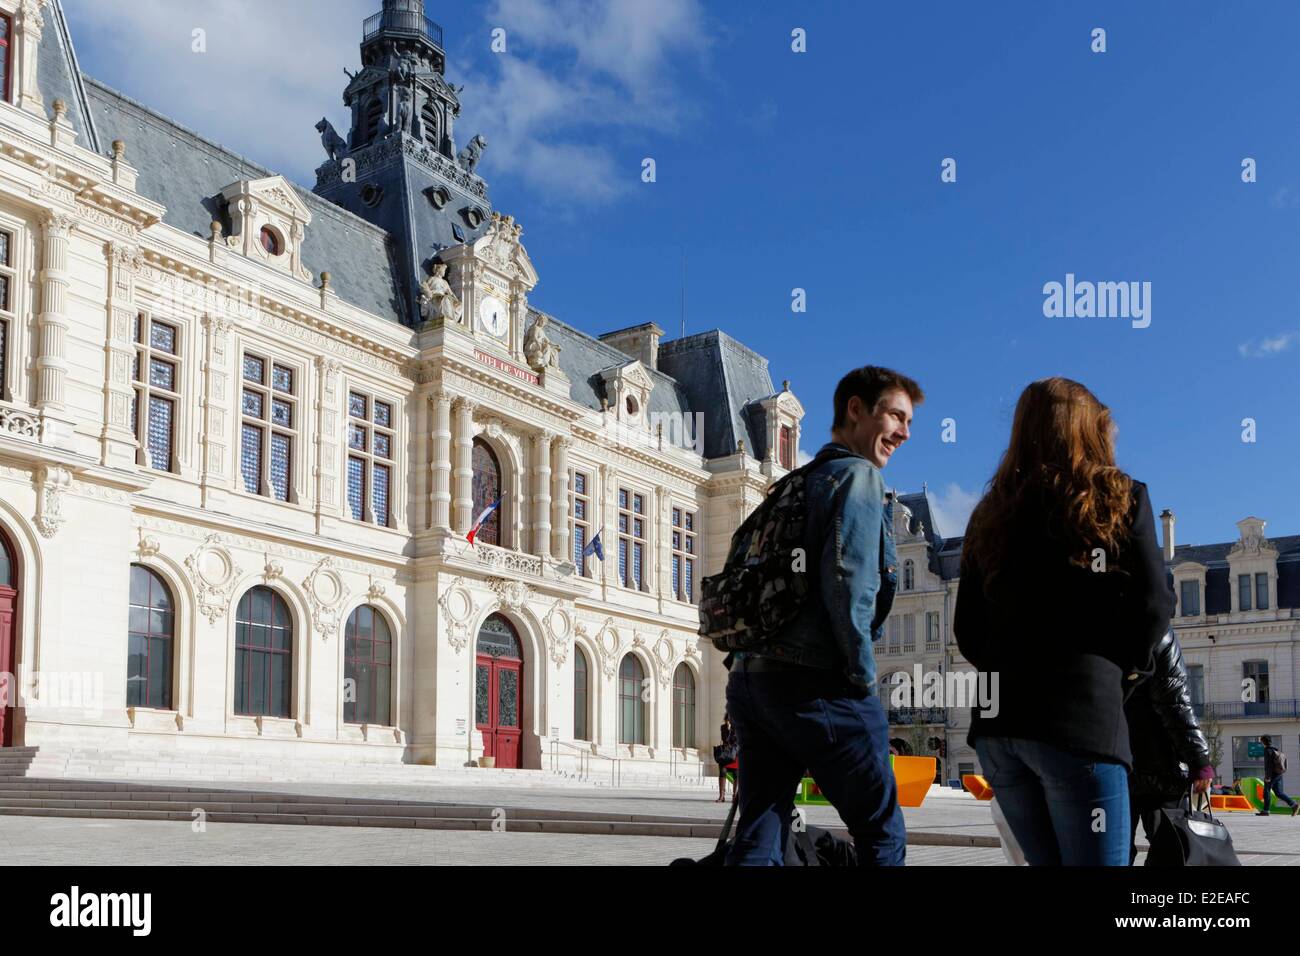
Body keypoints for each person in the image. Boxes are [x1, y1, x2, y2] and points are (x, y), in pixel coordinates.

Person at [955, 377, 1175, 866]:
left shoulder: (989, 514)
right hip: (1080, 721)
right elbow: (1154, 603)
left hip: (999, 727)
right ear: (1088, 431)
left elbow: (967, 629)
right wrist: (1120, 671)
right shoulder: (1119, 496)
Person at [724, 365, 922, 866]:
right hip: (816, 681)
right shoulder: (858, 478)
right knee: (881, 831)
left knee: (762, 823)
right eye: (895, 416)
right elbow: (848, 582)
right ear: (855, 410)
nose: (904, 432)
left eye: (909, 421)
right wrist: (861, 678)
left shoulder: (793, 485)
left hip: (753, 678)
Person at [1125, 630, 1214, 864]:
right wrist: (1200, 761)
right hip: (1159, 766)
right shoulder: (1157, 632)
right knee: (1170, 849)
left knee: (1111, 851)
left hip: (1110, 760)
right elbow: (1174, 701)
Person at [1258, 735, 1299, 816]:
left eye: (1261, 741)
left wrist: (1268, 776)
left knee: (1266, 791)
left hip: (1272, 774)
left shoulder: (1267, 750)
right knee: (1278, 792)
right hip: (1278, 774)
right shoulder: (1275, 749)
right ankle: (1294, 805)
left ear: (1263, 742)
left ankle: (1266, 810)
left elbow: (1268, 765)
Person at [715, 715, 739, 803]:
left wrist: (731, 730)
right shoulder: (723, 727)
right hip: (725, 754)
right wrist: (728, 730)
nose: (728, 721)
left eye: (730, 719)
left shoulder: (737, 727)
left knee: (736, 774)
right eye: (727, 719)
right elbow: (724, 739)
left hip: (734, 754)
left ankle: (734, 796)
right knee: (722, 772)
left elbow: (736, 740)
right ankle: (721, 796)